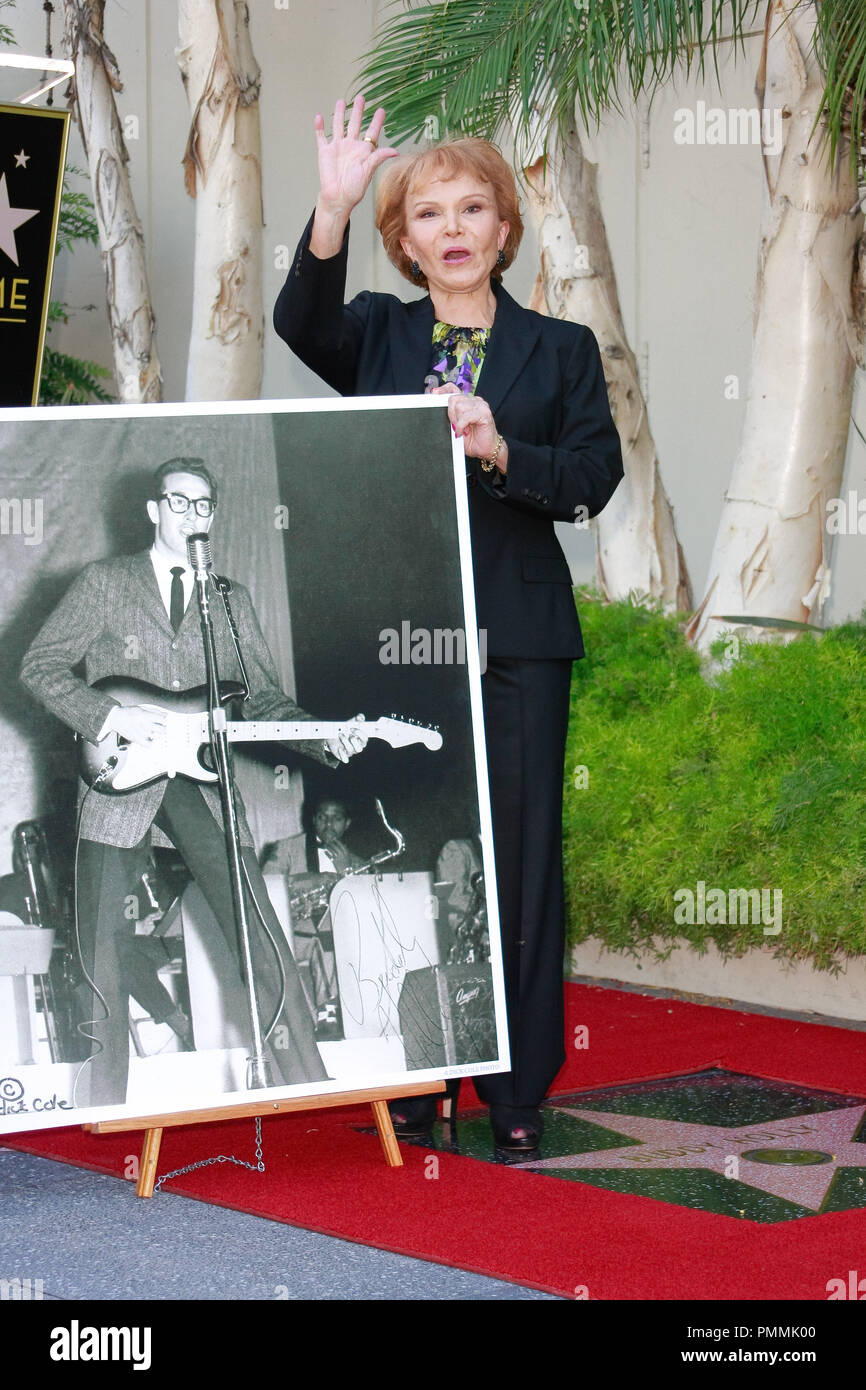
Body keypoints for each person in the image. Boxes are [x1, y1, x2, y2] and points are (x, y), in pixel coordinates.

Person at [273, 98, 624, 1150]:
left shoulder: (558, 349)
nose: (454, 226)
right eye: (427, 213)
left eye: (473, 207)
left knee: (517, 861)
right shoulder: (376, 330)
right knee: (419, 853)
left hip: (517, 641)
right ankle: (421, 1075)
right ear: (405, 241)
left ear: (503, 230)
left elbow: (589, 483)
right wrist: (331, 207)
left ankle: (514, 1092)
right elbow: (302, 322)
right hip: (397, 638)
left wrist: (499, 451)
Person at [20, 458, 367, 1108]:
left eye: (203, 506)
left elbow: (264, 702)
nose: (191, 516)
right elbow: (39, 666)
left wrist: (325, 735)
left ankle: (310, 1093)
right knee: (101, 957)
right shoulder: (104, 582)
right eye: (178, 503)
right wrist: (109, 714)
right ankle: (103, 1114)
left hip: (201, 781)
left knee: (261, 939)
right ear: (154, 511)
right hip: (116, 779)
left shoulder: (228, 601)